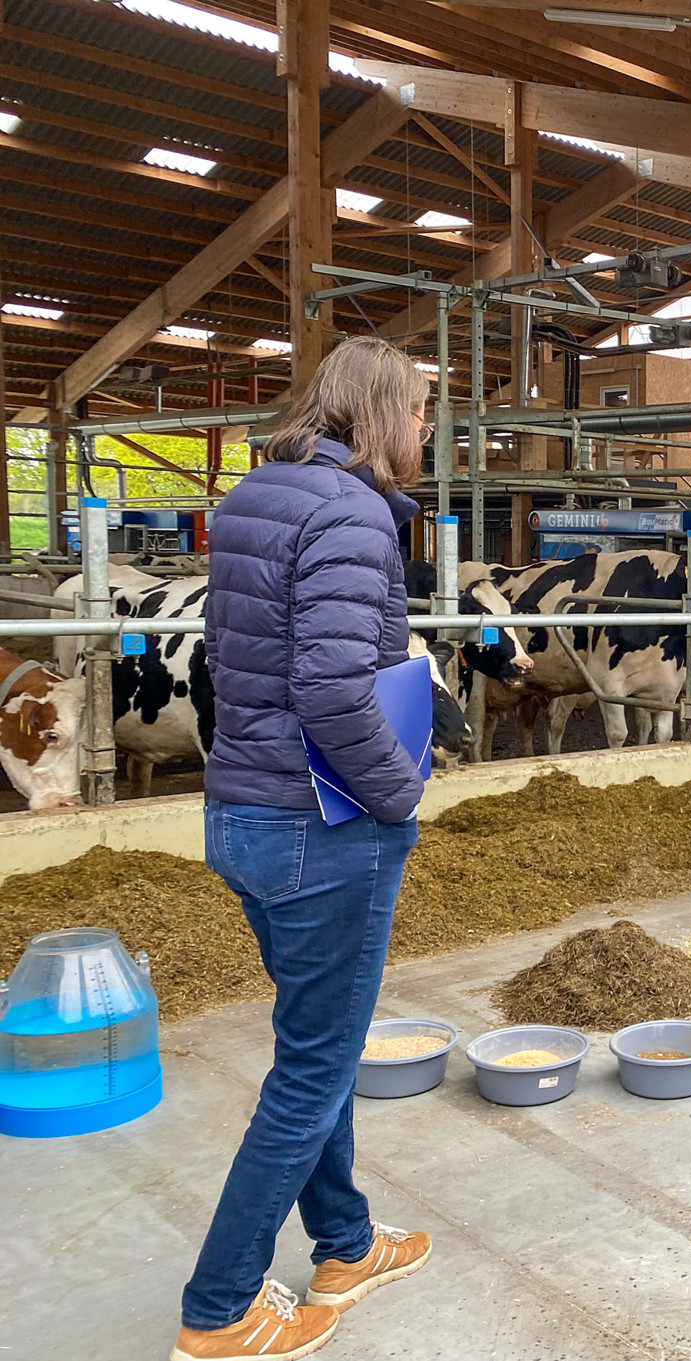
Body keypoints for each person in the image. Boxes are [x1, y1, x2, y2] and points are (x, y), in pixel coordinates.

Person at [172, 338, 434, 1361]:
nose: (423, 430)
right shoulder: (353, 512)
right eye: (418, 411)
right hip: (322, 827)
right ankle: (220, 1308)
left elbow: (248, 659)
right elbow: (331, 691)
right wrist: (399, 795)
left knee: (311, 1045)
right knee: (315, 1072)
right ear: (380, 412)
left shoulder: (255, 496)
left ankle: (347, 1244)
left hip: (242, 809)